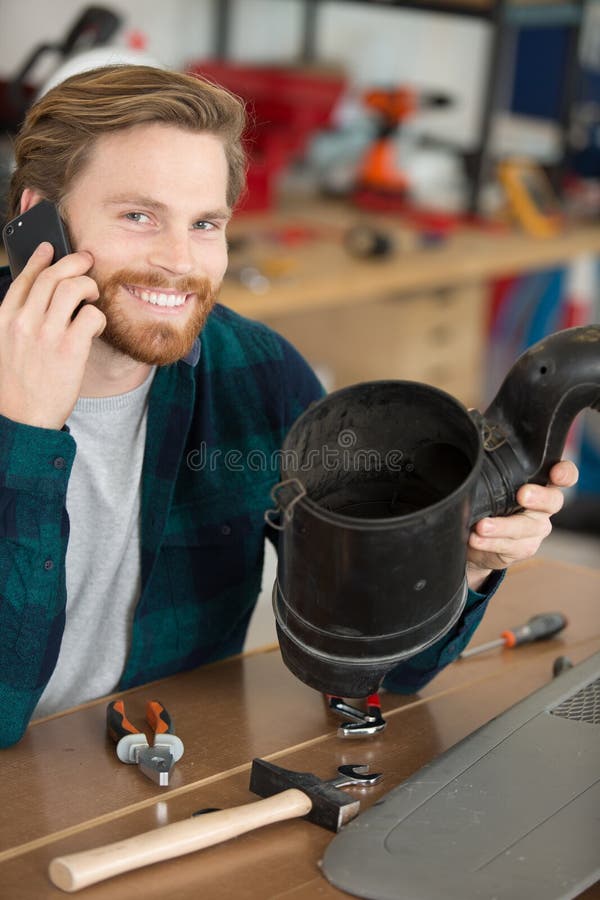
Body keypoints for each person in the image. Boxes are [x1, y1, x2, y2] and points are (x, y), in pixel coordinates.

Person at [0, 65, 577, 747]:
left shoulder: (258, 373)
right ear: (40, 217)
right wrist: (27, 435)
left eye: (205, 222)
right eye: (138, 216)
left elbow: (375, 670)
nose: (180, 262)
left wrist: (467, 562)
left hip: (153, 766)